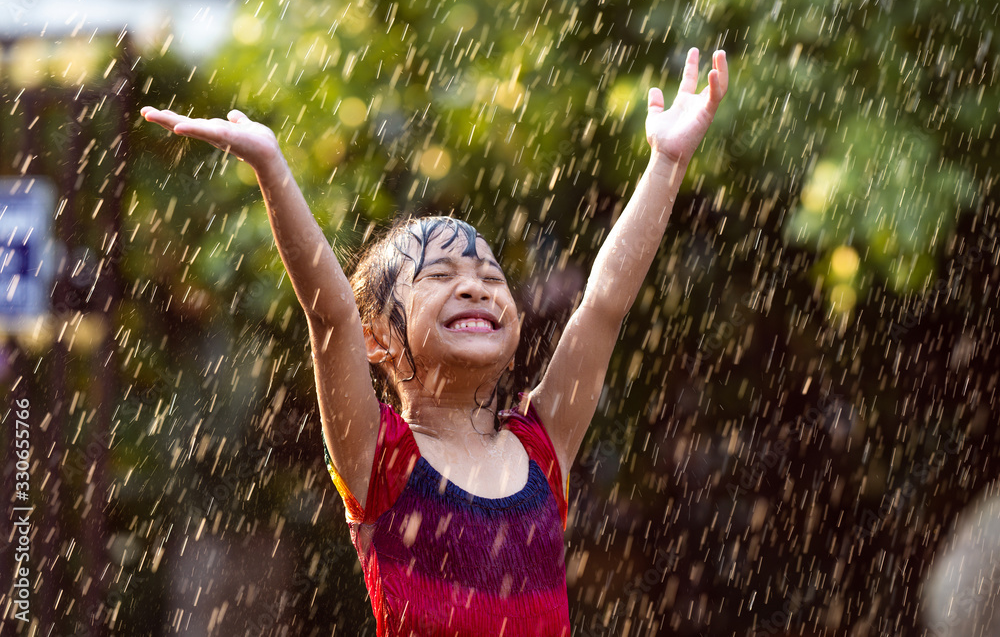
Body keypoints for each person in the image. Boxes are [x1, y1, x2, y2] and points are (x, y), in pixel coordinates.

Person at [141, 46, 728, 636]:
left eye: (492, 278)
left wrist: (666, 163)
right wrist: (271, 166)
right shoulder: (382, 460)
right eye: (441, 277)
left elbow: (603, 304)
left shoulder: (544, 449)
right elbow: (331, 316)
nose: (475, 288)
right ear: (377, 340)